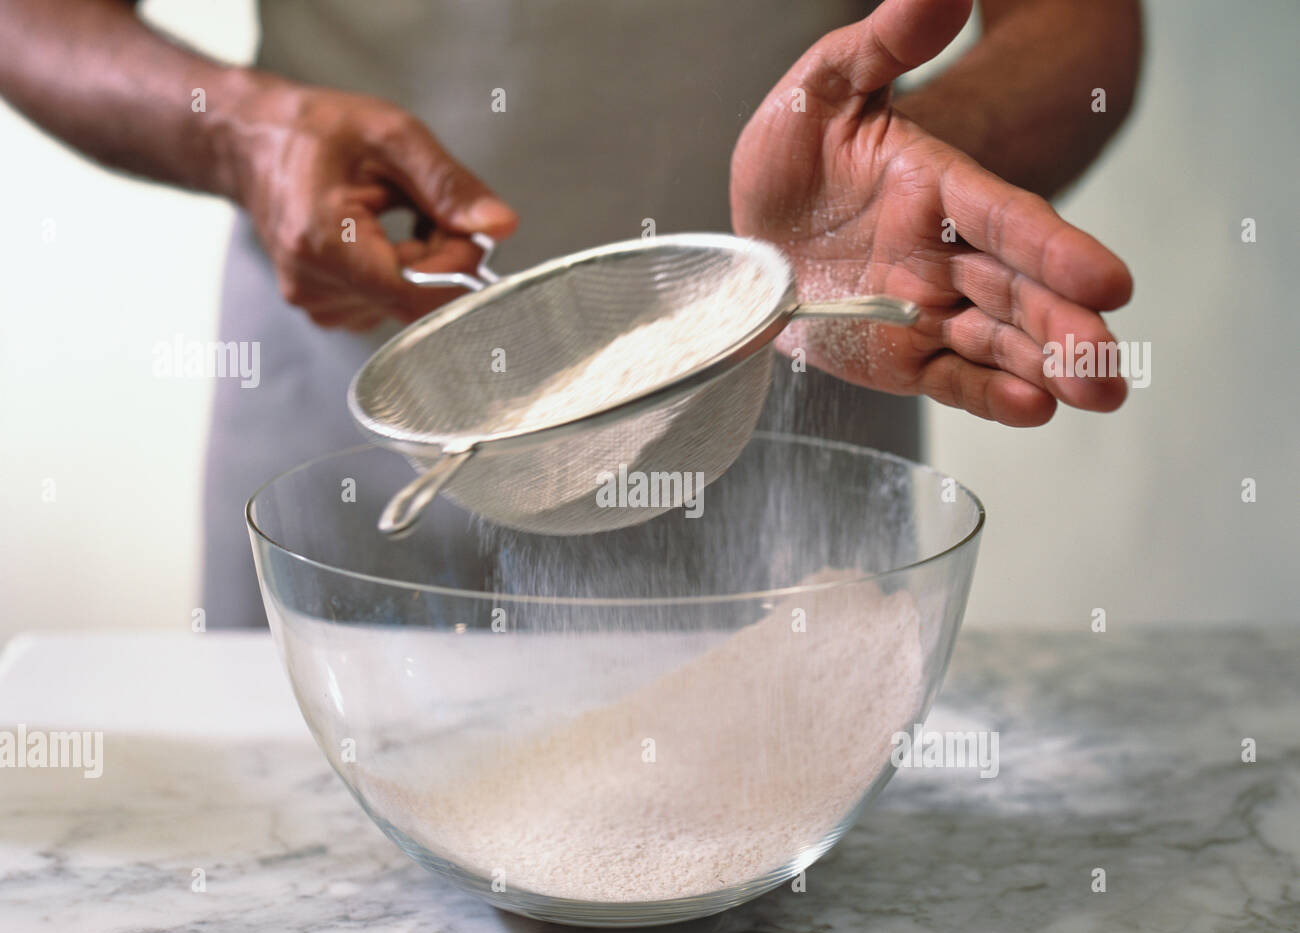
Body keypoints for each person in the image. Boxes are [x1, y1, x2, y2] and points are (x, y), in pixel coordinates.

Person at [0, 0, 1140, 626]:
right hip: (347, 414)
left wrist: (933, 155)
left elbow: (1081, 23)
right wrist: (239, 131)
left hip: (791, 378)